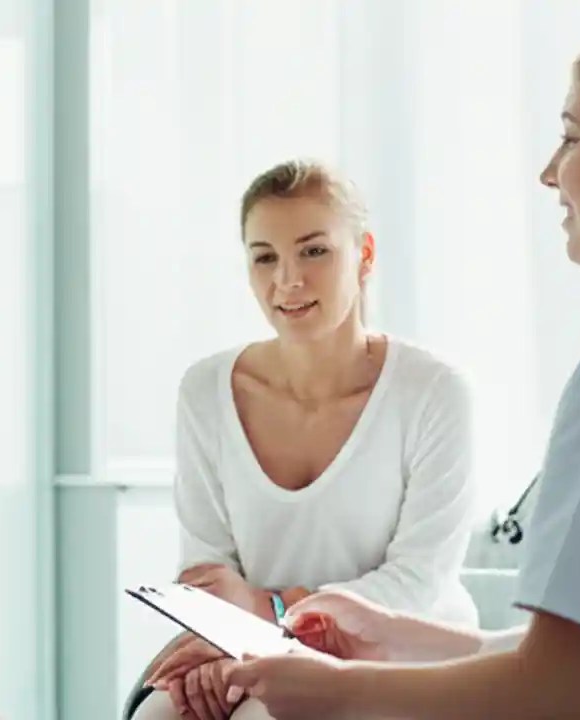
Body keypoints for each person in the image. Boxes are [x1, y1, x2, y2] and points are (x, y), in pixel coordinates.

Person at [223, 24, 580, 720]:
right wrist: (403, 638)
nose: (549, 171)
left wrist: (335, 692)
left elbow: (553, 691)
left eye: (570, 136)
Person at [130, 160, 481, 720]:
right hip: (246, 641)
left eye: (314, 251)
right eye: (264, 256)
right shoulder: (206, 390)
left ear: (364, 255)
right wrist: (234, 640)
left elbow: (418, 580)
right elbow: (206, 568)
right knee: (159, 717)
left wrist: (271, 611)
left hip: (397, 660)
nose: (287, 280)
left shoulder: (435, 392)